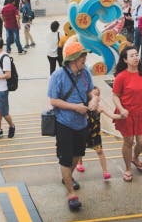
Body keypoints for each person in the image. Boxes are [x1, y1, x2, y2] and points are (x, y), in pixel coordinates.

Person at [47, 41, 98, 211]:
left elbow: (91, 91)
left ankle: (67, 176)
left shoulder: (86, 73)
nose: (85, 58)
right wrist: (75, 107)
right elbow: (53, 101)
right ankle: (71, 194)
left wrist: (94, 99)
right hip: (64, 123)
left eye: (85, 55)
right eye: (82, 56)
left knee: (78, 155)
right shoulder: (57, 76)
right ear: (72, 59)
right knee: (66, 158)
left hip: (82, 124)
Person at [112, 46, 142, 183]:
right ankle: (128, 168)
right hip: (126, 114)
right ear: (125, 60)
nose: (135, 57)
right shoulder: (121, 77)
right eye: (132, 56)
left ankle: (135, 157)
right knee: (128, 142)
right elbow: (115, 96)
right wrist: (121, 109)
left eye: (136, 55)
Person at [74, 86, 121, 180]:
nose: (96, 97)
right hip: (83, 132)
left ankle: (105, 171)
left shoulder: (100, 108)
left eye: (98, 95)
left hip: (95, 134)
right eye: (94, 94)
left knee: (100, 151)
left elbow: (112, 115)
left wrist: (122, 115)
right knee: (80, 151)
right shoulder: (84, 107)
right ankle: (79, 163)